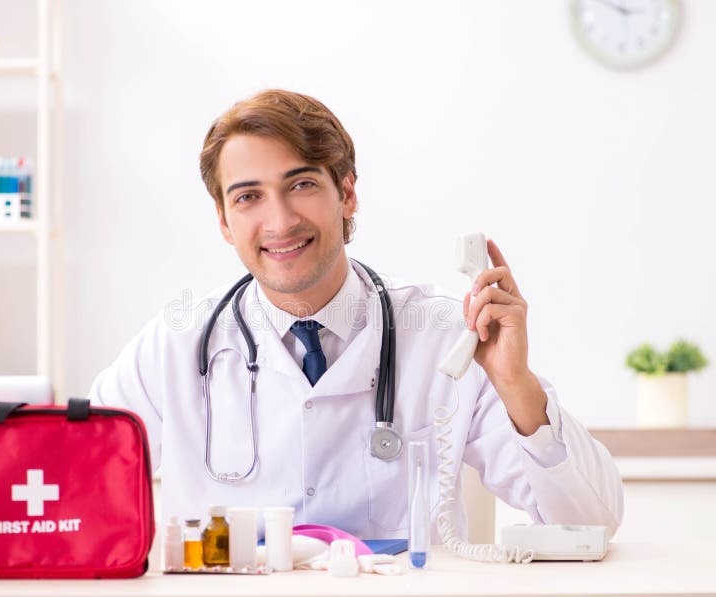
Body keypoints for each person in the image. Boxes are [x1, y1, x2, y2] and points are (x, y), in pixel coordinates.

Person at [89, 89, 623, 542]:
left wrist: (515, 382)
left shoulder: (446, 336)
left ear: (346, 193)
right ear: (225, 221)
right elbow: (77, 492)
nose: (279, 221)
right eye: (249, 196)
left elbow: (591, 524)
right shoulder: (177, 344)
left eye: (301, 185)